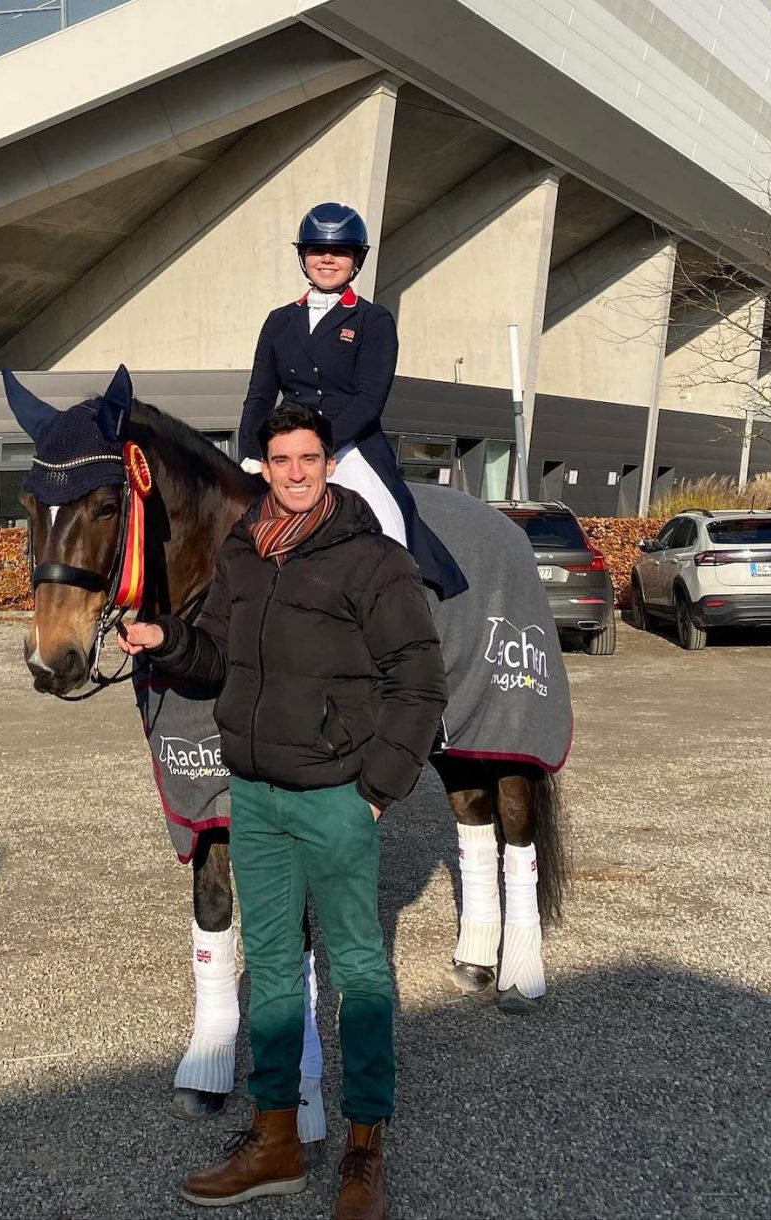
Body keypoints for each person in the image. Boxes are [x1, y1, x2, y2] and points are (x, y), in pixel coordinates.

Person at [119, 402, 447, 1220]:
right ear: (263, 466)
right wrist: (165, 642)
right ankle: (275, 1141)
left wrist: (375, 792)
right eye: (281, 459)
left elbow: (420, 681)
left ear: (327, 463)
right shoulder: (245, 553)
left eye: (309, 458)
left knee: (361, 973)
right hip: (256, 796)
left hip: (337, 796)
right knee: (268, 968)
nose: (295, 473)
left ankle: (365, 1149)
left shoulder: (373, 560)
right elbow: (218, 657)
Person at [237, 201, 467, 601]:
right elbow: (258, 396)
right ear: (303, 257)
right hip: (287, 446)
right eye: (317, 250)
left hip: (349, 446)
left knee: (390, 537)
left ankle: (407, 612)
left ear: (355, 261)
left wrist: (319, 449)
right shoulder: (279, 320)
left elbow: (368, 400)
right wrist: (251, 453)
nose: (327, 259)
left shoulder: (372, 320)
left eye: (340, 252)